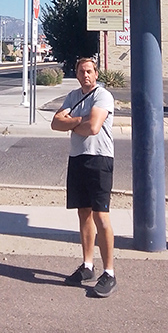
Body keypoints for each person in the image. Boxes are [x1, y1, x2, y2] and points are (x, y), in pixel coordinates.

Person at [51, 56, 116, 298]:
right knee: (84, 213)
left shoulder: (103, 96)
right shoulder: (72, 96)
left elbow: (94, 128)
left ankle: (109, 271)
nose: (85, 75)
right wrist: (79, 121)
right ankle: (87, 265)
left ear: (96, 74)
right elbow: (55, 123)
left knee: (101, 215)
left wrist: (71, 123)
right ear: (76, 74)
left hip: (99, 159)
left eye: (89, 71)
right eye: (81, 71)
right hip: (77, 158)